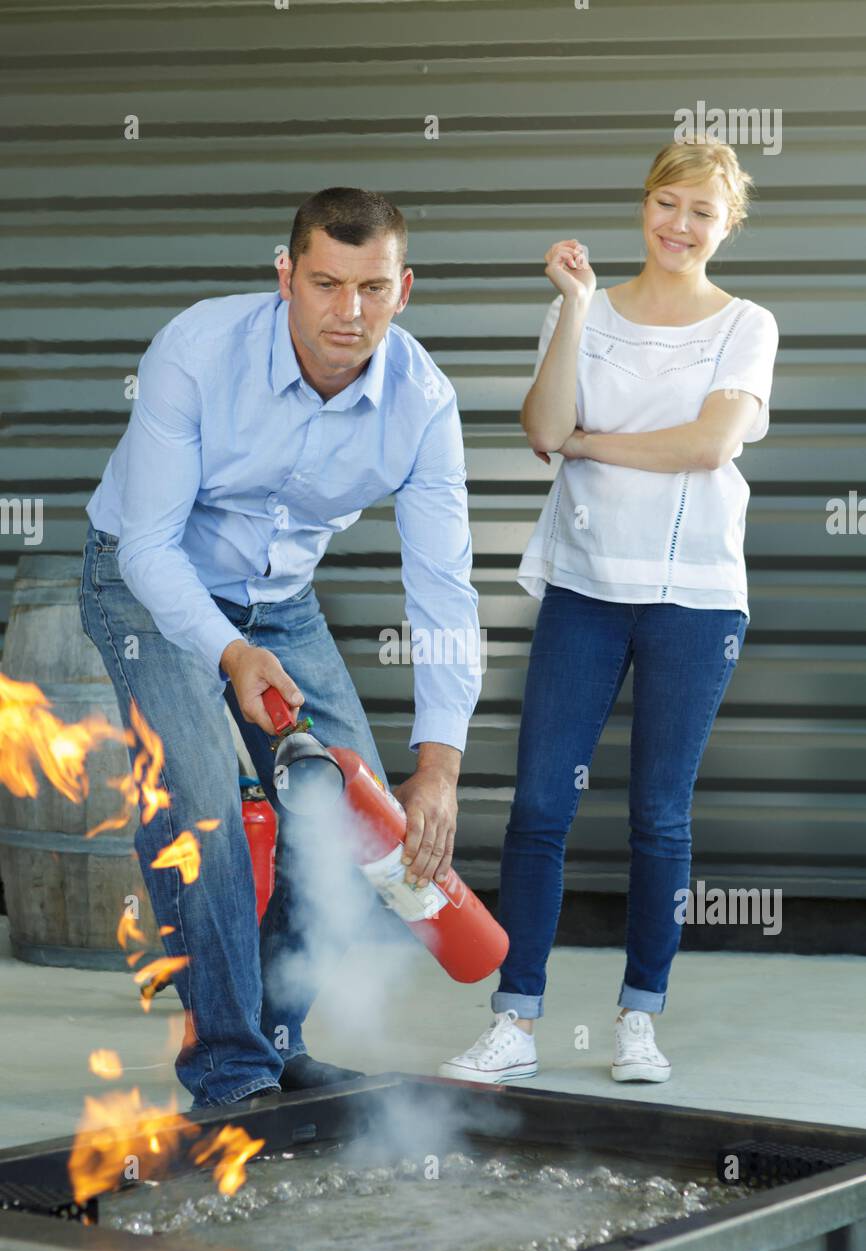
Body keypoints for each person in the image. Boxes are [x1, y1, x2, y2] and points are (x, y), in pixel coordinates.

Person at [80, 187, 481, 1109]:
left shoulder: (422, 403)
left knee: (354, 821)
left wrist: (442, 767)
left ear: (405, 288)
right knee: (204, 803)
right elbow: (146, 545)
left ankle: (275, 1035)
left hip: (280, 599)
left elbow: (444, 592)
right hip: (145, 579)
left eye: (373, 288)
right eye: (326, 284)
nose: (350, 312)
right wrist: (228, 653)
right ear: (285, 278)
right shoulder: (197, 349)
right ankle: (229, 1068)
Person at [439, 138, 779, 1086]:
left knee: (659, 819)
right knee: (542, 805)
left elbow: (710, 447)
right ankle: (515, 1018)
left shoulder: (747, 323)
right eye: (668, 204)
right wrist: (578, 308)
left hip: (694, 599)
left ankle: (640, 1019)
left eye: (702, 212)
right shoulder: (581, 309)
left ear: (728, 225)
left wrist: (594, 441)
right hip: (586, 588)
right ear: (645, 206)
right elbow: (543, 430)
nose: (680, 226)